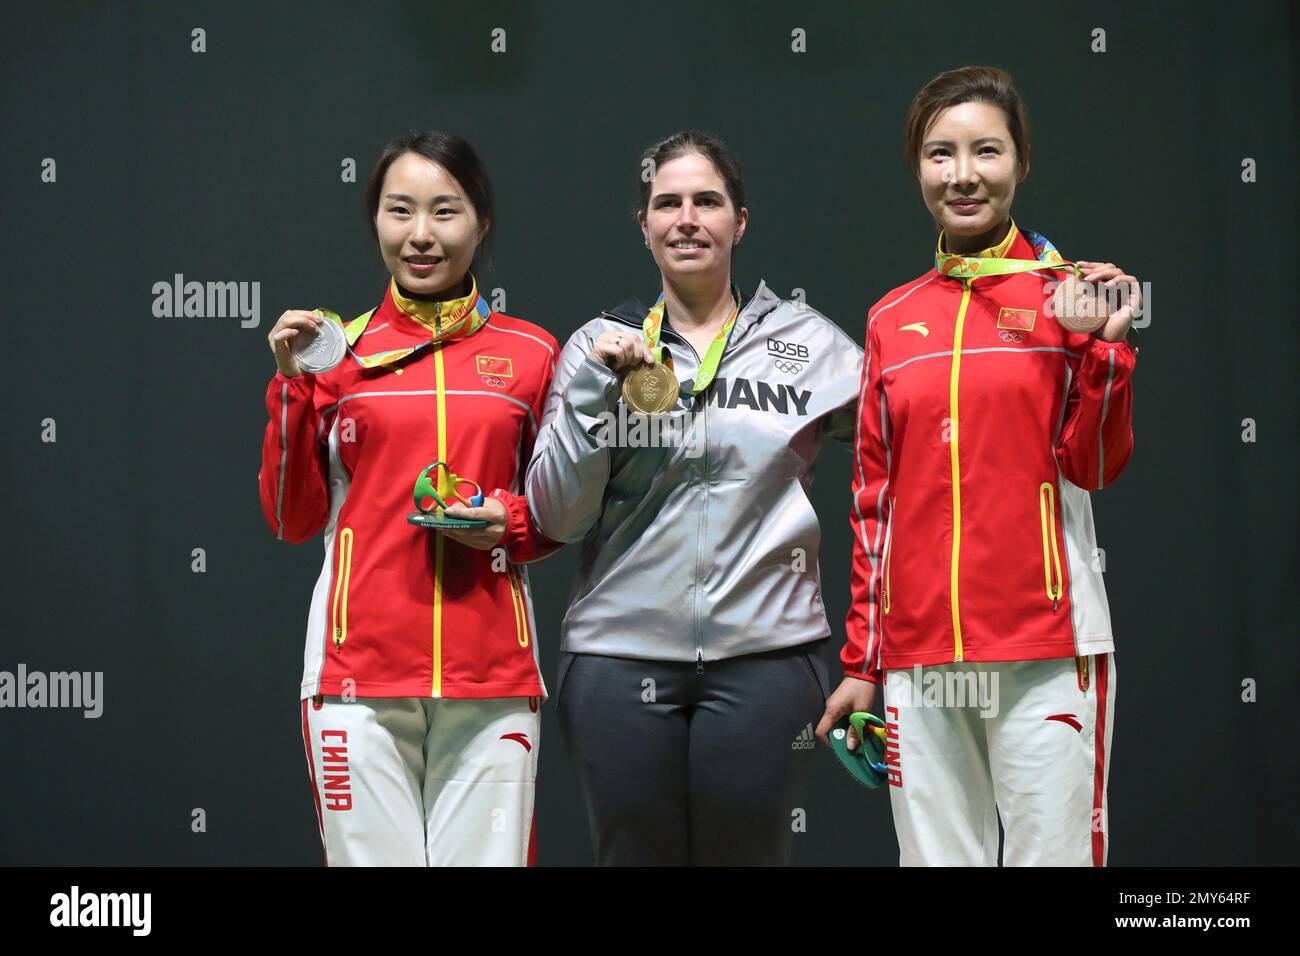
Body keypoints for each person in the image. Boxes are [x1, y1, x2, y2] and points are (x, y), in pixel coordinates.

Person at [816, 66, 1141, 866]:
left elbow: (1094, 466)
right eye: (940, 154)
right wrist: (863, 662)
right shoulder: (892, 319)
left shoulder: (1075, 295)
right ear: (918, 168)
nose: (962, 175)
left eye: (985, 151)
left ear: (1021, 163)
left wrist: (1106, 352)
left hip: (1046, 645)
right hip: (921, 660)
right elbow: (873, 504)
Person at [525, 130, 864, 865]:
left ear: (739, 222)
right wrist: (594, 390)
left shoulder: (806, 344)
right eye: (666, 203)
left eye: (707, 201)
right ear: (644, 226)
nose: (687, 218)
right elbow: (555, 515)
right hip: (619, 659)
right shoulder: (597, 347)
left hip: (768, 660)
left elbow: (906, 456)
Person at [257, 130, 560, 866]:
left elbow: (560, 507)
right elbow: (292, 521)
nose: (421, 235)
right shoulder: (335, 354)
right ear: (376, 222)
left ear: (481, 223)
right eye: (400, 211)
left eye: (445, 212)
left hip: (491, 673)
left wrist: (508, 524)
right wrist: (292, 389)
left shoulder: (533, 354)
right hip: (356, 671)